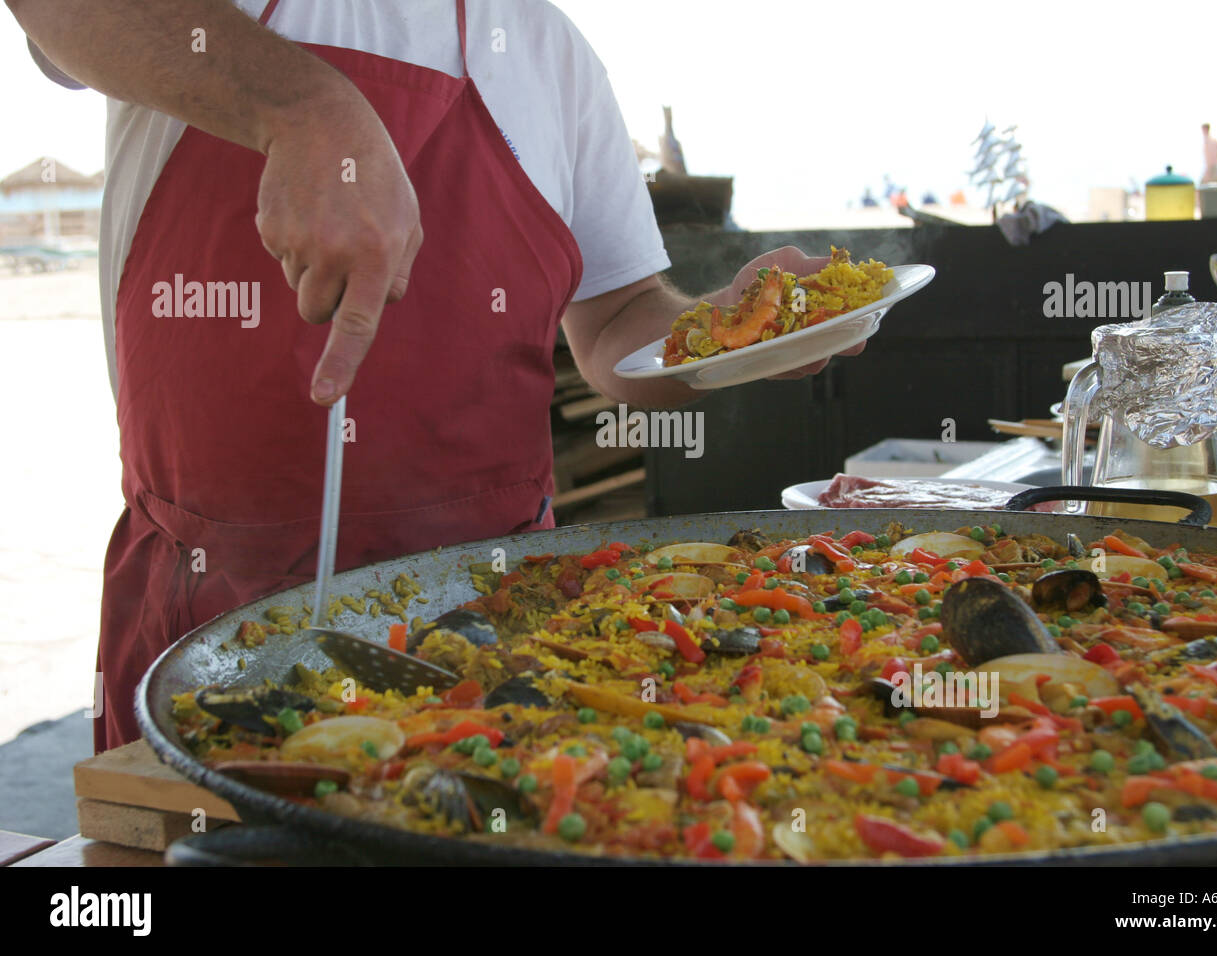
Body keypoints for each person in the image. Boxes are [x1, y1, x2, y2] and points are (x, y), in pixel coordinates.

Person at [8, 0, 856, 751]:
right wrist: (305, 110)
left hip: (509, 623)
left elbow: (616, 318)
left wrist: (729, 331)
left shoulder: (548, 49)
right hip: (215, 625)